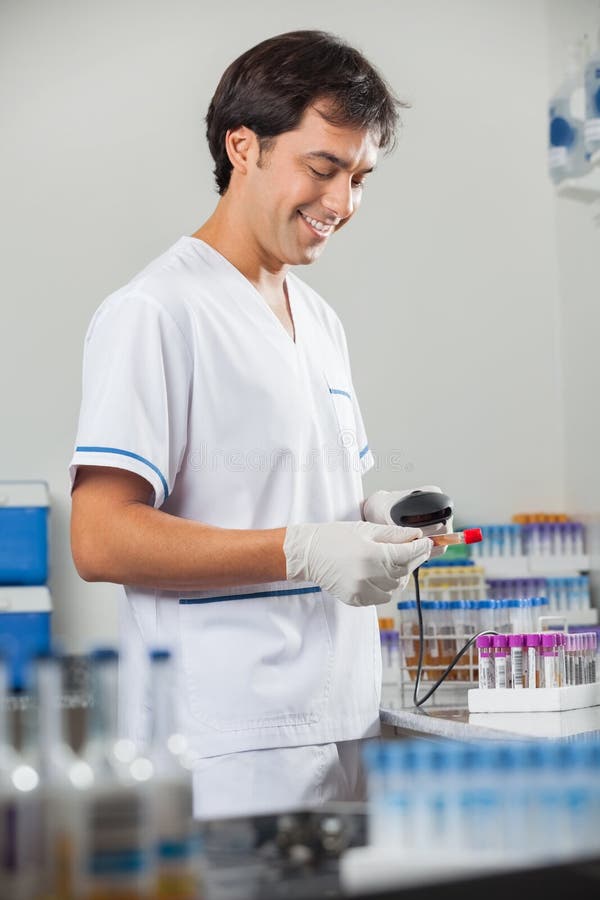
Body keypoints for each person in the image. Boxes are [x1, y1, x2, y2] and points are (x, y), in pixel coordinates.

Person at [69, 30, 446, 818]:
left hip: (345, 716)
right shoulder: (155, 312)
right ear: (244, 146)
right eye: (323, 168)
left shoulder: (318, 318)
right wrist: (303, 550)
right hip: (226, 740)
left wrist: (374, 522)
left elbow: (289, 493)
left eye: (361, 177)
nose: (342, 204)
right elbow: (99, 539)